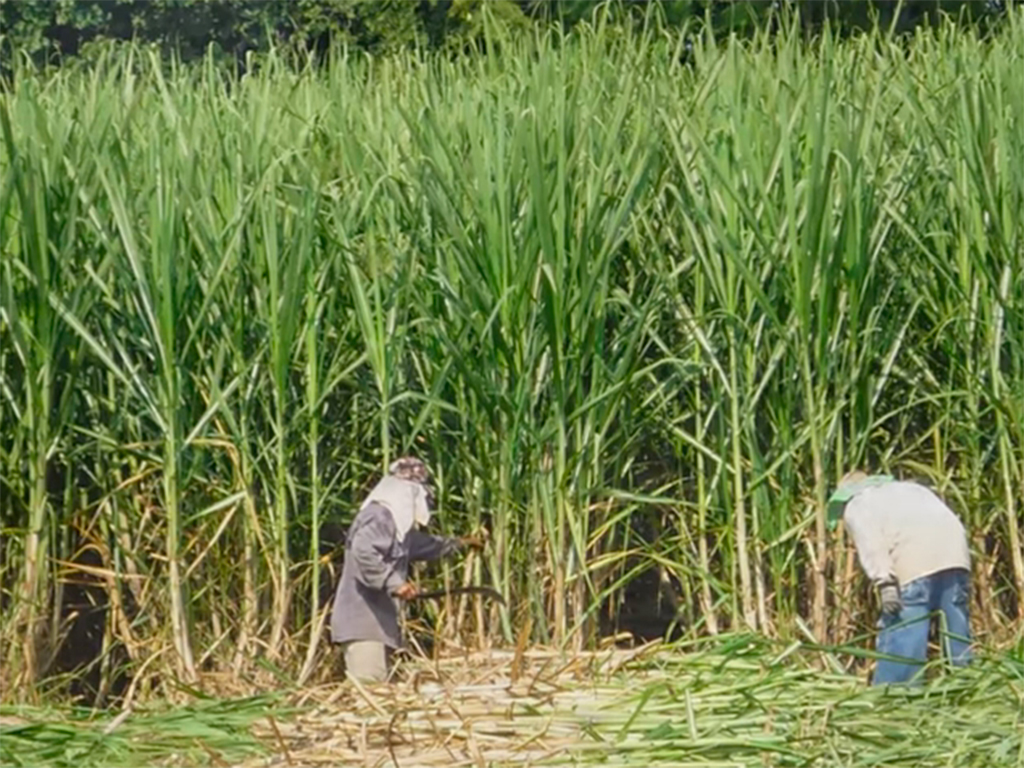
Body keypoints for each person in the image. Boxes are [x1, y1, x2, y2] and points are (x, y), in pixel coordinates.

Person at [329, 456, 482, 683]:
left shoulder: (395, 526)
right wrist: (396, 583)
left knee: (381, 687)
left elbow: (422, 545)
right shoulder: (379, 517)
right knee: (371, 691)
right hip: (363, 626)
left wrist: (460, 543)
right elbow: (364, 552)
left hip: (378, 627)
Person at [827, 471, 973, 686]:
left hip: (913, 559)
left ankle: (896, 695)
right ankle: (966, 686)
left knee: (905, 637)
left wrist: (885, 582)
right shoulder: (912, 489)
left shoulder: (858, 503)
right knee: (957, 632)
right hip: (956, 556)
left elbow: (871, 544)